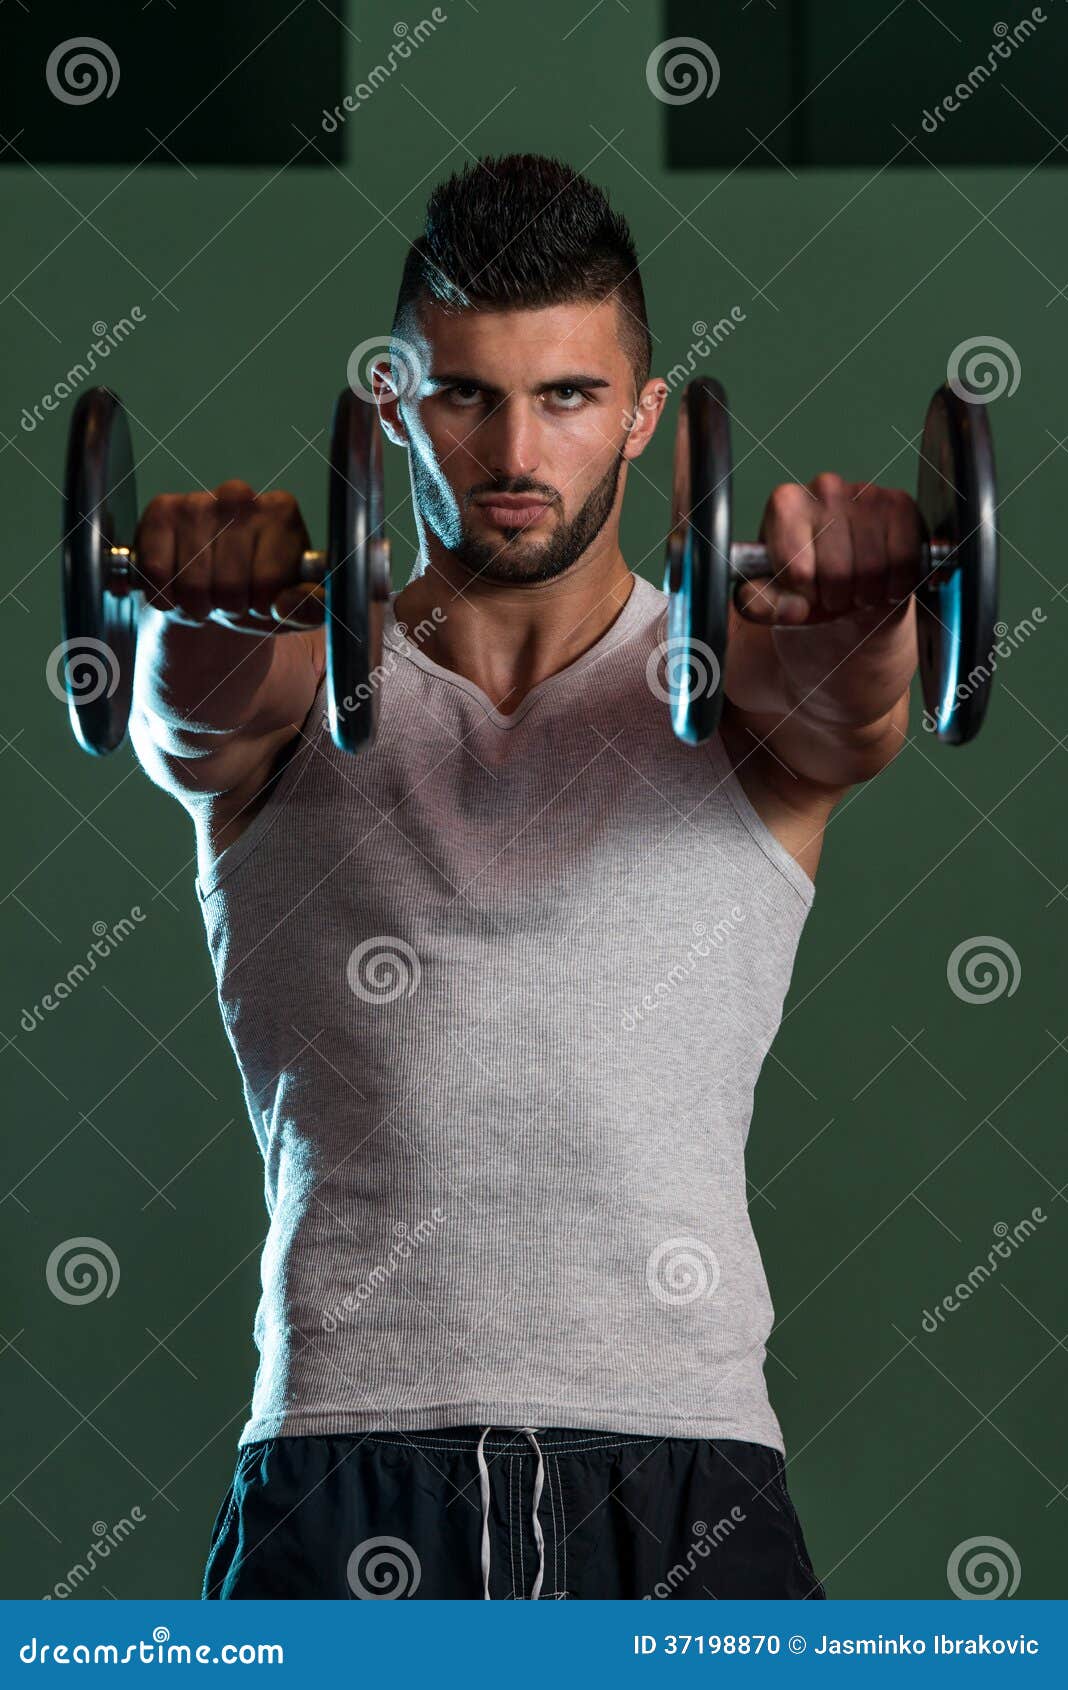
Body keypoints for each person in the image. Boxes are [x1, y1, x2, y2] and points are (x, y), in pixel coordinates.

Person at [130, 154, 924, 1600]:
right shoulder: (296, 672)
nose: (514, 451)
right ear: (391, 401)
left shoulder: (733, 681)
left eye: (566, 396)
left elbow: (847, 707)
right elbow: (195, 708)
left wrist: (870, 601)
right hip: (346, 1451)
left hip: (684, 1466)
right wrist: (208, 600)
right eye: (465, 395)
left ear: (641, 413)